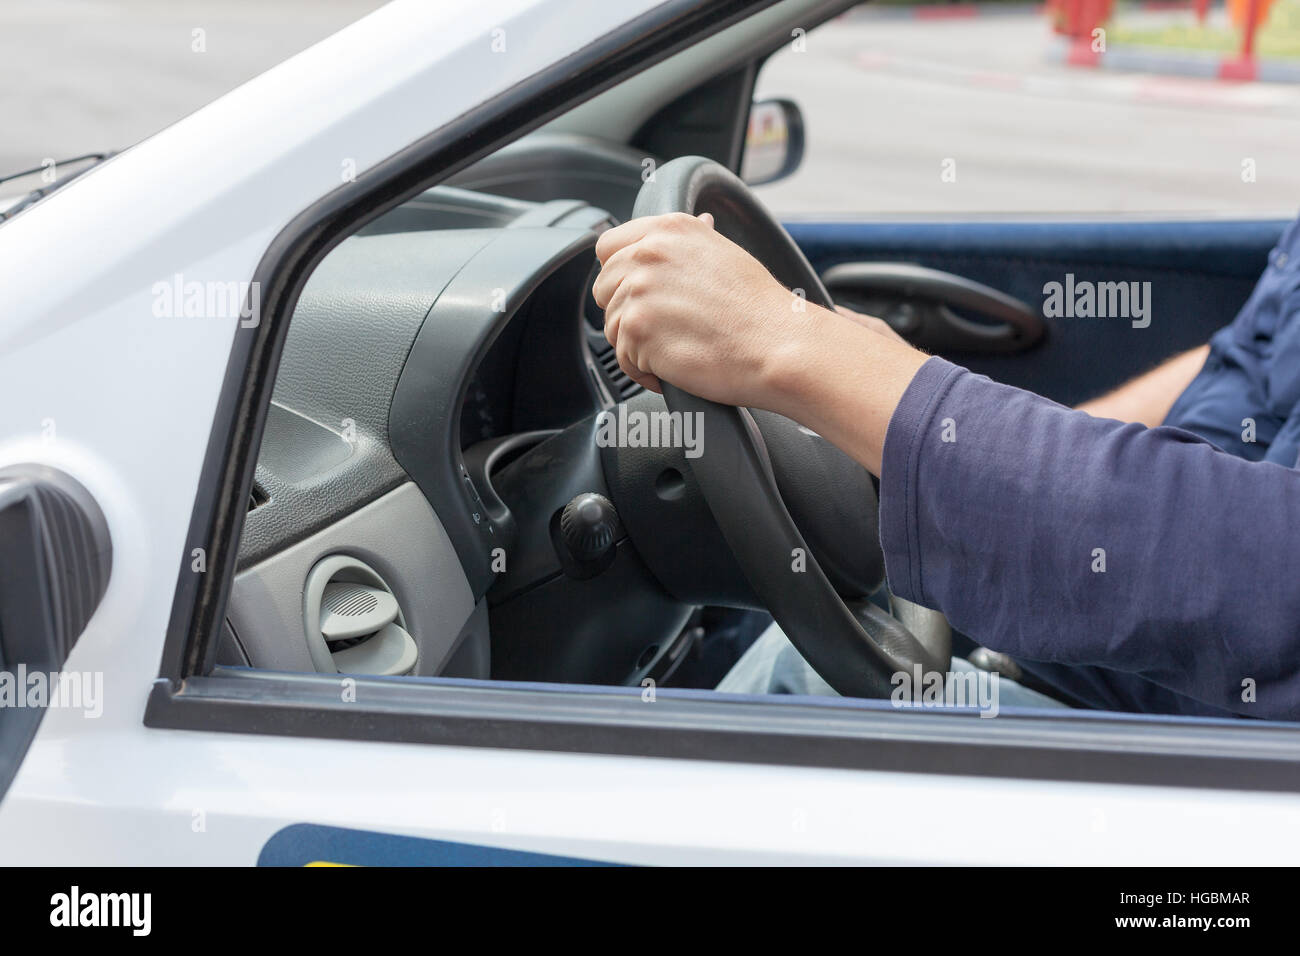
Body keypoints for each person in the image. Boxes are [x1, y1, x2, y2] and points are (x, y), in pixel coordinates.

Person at [592, 211, 1300, 718]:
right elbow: (1242, 361)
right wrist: (883, 401)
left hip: (1226, 753)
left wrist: (795, 350)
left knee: (796, 681)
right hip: (1156, 657)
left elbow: (1272, 579)